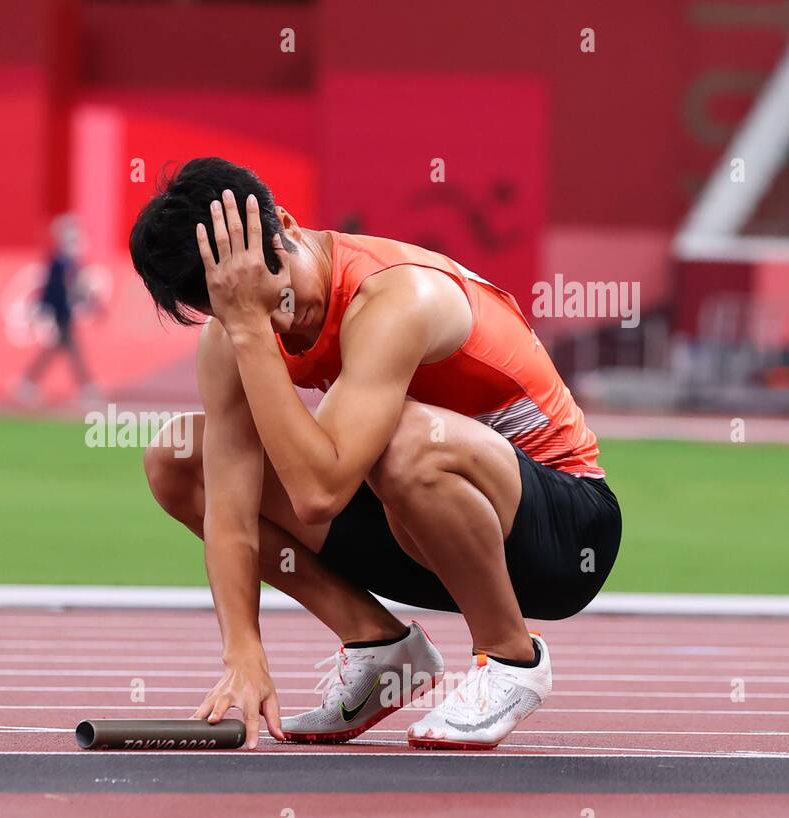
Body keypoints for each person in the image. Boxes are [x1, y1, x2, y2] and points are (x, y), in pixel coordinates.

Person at [130, 158, 621, 750]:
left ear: (284, 224)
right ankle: (381, 649)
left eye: (271, 283)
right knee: (178, 456)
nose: (276, 316)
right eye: (230, 307)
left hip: (559, 533)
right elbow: (230, 510)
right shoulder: (235, 332)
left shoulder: (395, 297)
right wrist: (243, 653)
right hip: (419, 526)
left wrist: (251, 329)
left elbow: (318, 495)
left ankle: (511, 658)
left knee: (405, 437)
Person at [15, 214, 99, 405]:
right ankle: (86, 387)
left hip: (64, 312)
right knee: (72, 350)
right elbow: (52, 289)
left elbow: (77, 287)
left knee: (57, 349)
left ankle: (28, 382)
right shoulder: (58, 262)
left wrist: (90, 303)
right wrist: (44, 308)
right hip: (60, 312)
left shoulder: (71, 262)